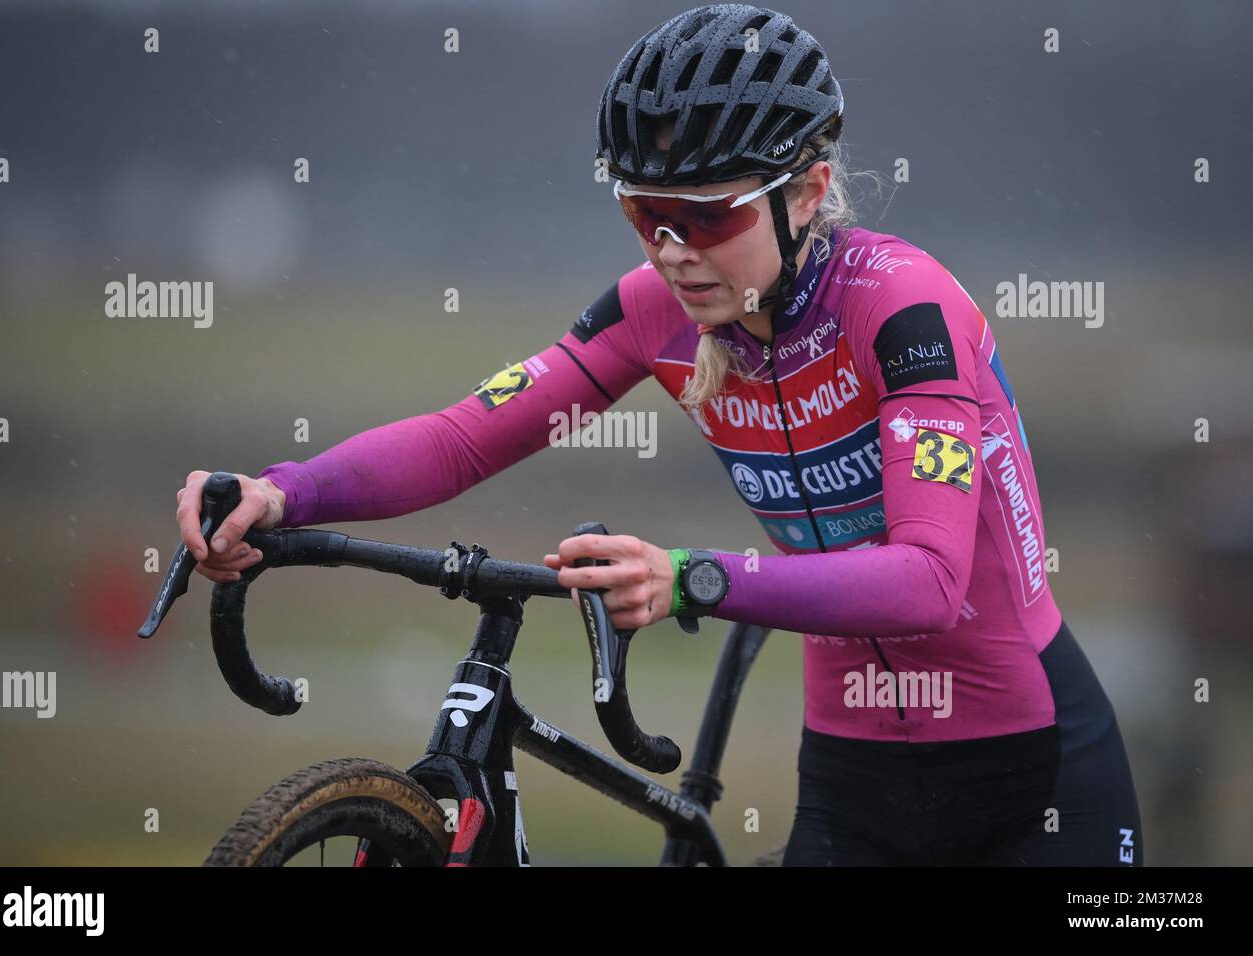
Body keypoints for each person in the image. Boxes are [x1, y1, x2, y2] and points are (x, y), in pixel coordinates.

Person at [174, 3, 1142, 866]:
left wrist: (688, 576)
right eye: (645, 212)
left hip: (1034, 774)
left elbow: (928, 582)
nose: (674, 251)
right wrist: (283, 491)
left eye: (706, 213)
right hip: (854, 776)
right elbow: (462, 437)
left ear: (807, 191)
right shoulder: (655, 313)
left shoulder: (901, 309)